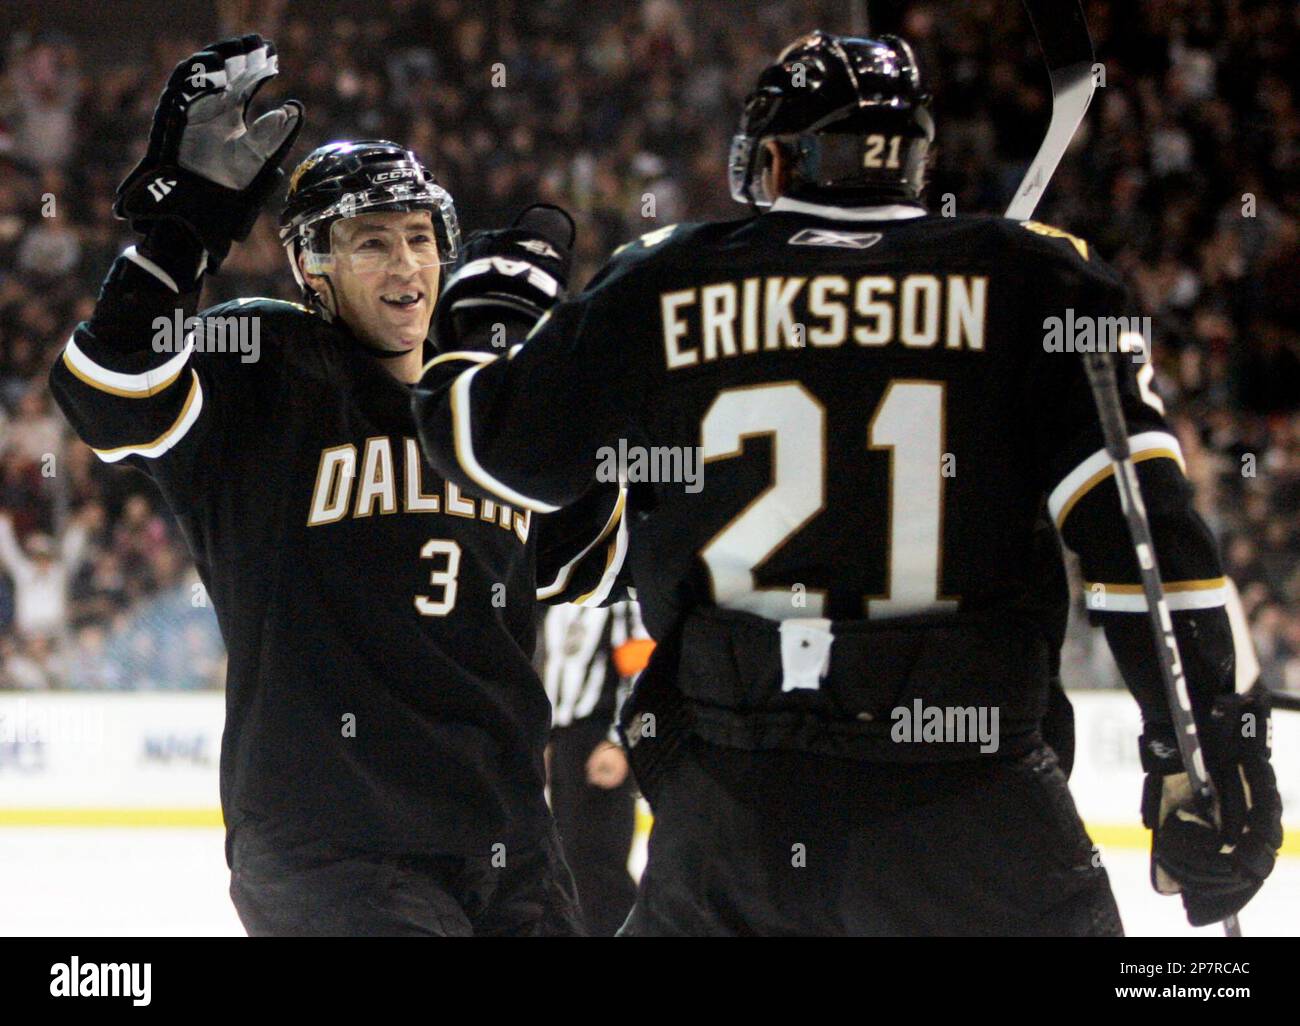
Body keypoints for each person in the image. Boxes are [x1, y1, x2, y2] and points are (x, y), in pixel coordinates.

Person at [411, 31, 1283, 935]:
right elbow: (1143, 540)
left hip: (732, 818)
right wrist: (1210, 743)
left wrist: (486, 317)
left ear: (776, 156)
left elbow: (483, 445)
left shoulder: (664, 278)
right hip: (975, 813)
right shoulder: (1038, 279)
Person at [49, 34, 615, 936]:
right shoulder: (267, 363)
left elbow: (589, 561)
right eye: (372, 243)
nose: (406, 267)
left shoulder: (481, 397)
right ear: (313, 268)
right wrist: (181, 228)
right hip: (331, 847)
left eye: (421, 239)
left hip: (510, 842)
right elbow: (107, 397)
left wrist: (556, 390)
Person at [542, 601, 651, 935]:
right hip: (563, 740)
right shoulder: (556, 601)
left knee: (600, 862)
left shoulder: (620, 601)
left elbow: (640, 670)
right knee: (567, 857)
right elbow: (551, 667)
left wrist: (620, 742)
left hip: (600, 739)